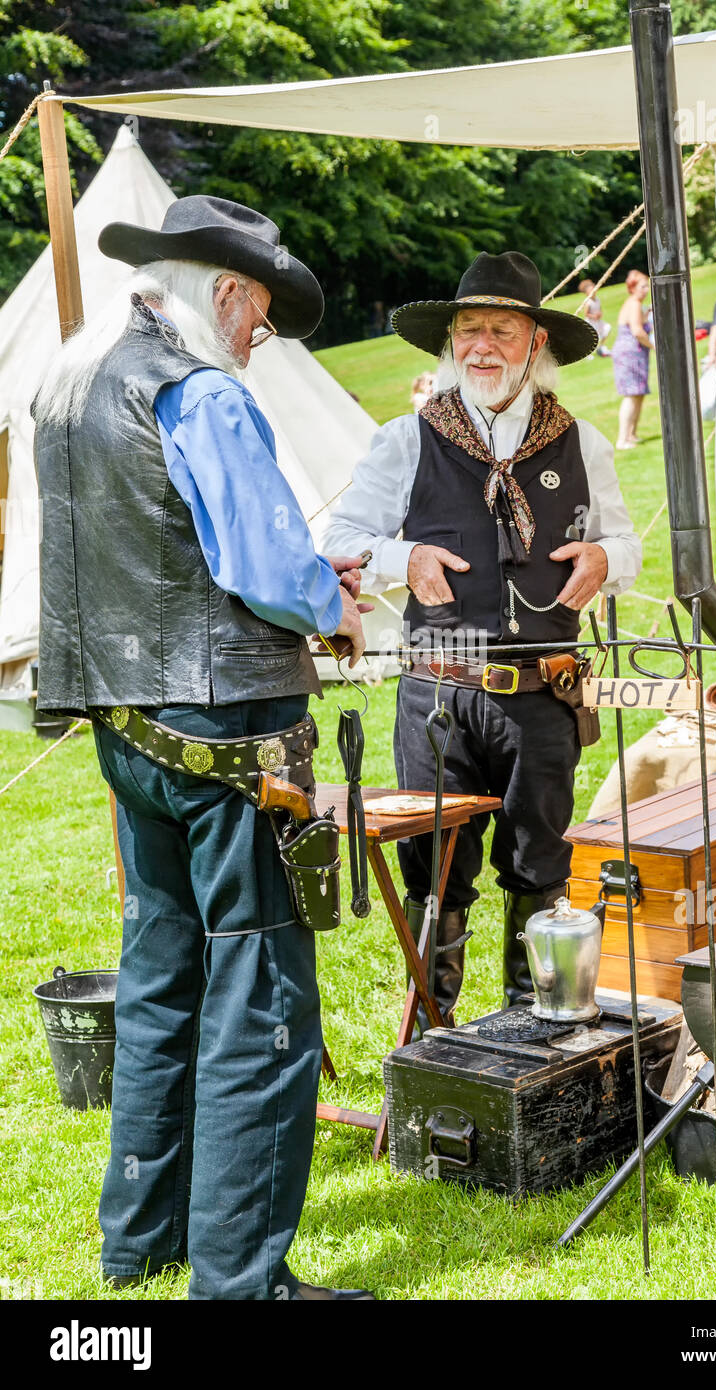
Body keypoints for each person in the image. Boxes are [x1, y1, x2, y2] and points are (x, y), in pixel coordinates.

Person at [31, 195, 375, 1301]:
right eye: (260, 318)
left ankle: (142, 1244)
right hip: (227, 729)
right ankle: (238, 1282)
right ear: (225, 293)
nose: (256, 339)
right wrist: (331, 602)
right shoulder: (202, 389)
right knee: (260, 989)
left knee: (163, 971)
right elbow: (262, 568)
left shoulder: (69, 379)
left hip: (128, 730)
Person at [322, 251, 641, 1029]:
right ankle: (437, 1039)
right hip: (439, 696)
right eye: (469, 331)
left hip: (544, 696)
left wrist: (605, 558)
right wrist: (406, 557)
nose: (482, 347)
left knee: (540, 869)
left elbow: (625, 544)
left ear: (537, 344)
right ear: (449, 345)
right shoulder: (408, 438)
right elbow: (342, 538)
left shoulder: (584, 444)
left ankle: (532, 1032)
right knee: (436, 876)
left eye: (502, 330)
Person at [611, 269, 653, 448]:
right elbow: (637, 331)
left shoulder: (637, 304)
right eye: (642, 286)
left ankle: (632, 435)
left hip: (635, 353)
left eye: (647, 286)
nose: (646, 290)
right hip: (630, 353)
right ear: (633, 288)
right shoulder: (634, 303)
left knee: (638, 394)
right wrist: (655, 346)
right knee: (631, 394)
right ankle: (623, 439)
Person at [578, 279, 612, 357]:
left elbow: (600, 309)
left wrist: (600, 314)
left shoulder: (597, 299)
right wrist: (594, 316)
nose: (593, 292)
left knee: (607, 328)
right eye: (590, 291)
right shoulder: (588, 302)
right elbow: (586, 314)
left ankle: (601, 346)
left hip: (598, 321)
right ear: (587, 293)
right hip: (591, 322)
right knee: (594, 338)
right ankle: (588, 353)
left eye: (593, 289)